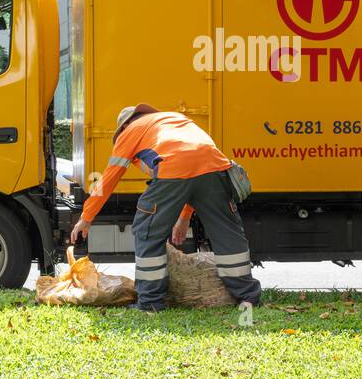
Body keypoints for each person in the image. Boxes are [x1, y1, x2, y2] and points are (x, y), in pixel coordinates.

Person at [69, 103, 262, 312]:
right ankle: (247, 296)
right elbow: (194, 171)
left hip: (173, 169)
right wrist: (184, 218)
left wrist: (86, 217)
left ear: (124, 126)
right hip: (216, 168)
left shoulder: (130, 131)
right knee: (227, 233)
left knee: (147, 229)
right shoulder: (175, 119)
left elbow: (108, 180)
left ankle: (150, 303)